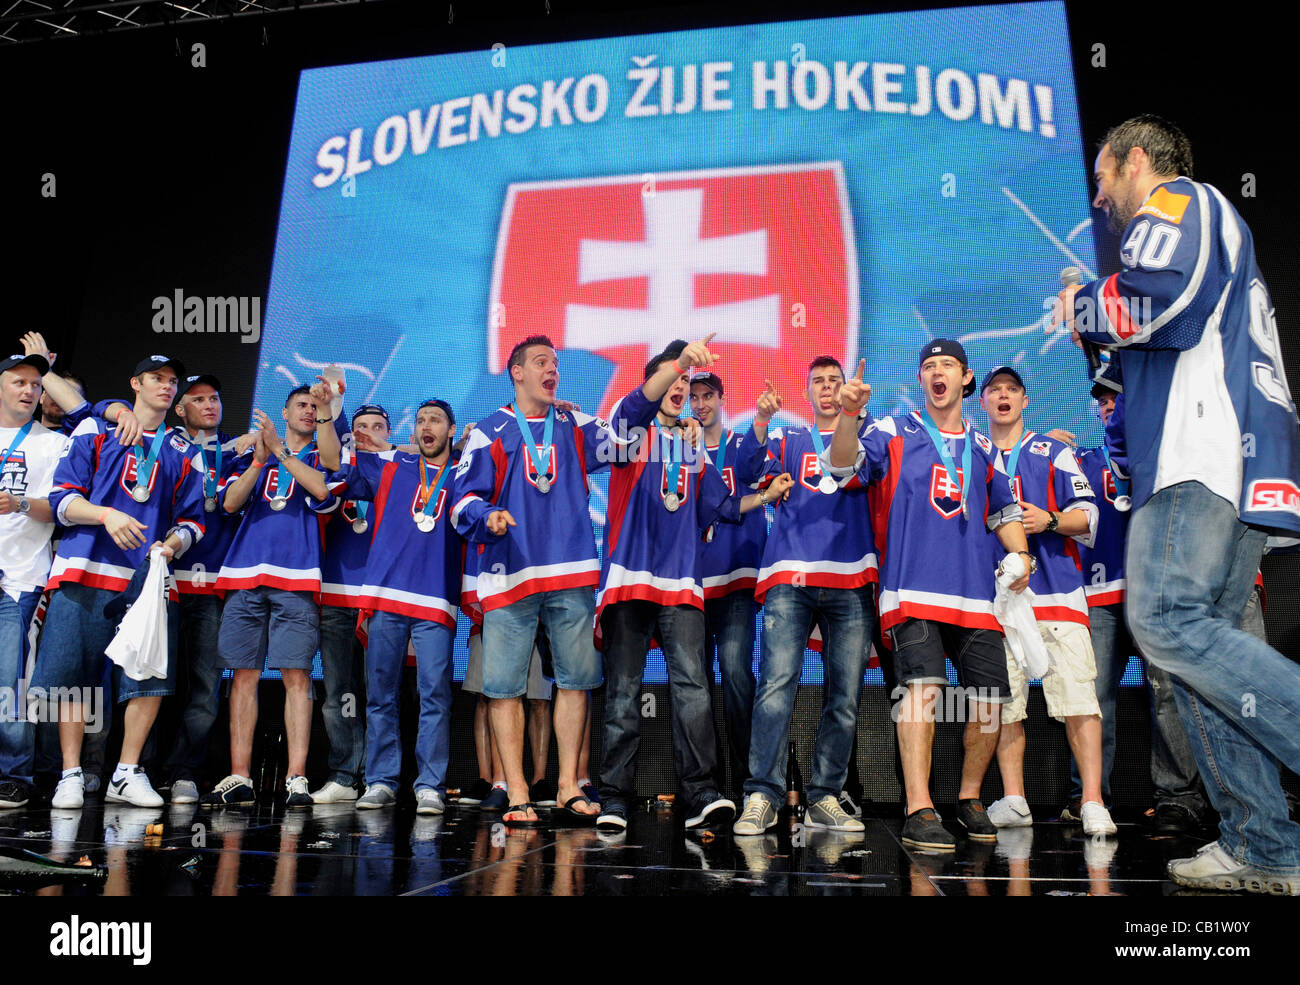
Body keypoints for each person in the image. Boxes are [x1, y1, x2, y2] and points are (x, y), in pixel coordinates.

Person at [1058, 114, 1300, 894]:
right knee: (1199, 652)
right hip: (1233, 459)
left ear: (1136, 161)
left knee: (1163, 619)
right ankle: (1265, 841)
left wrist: (1090, 302)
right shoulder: (1212, 220)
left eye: (1102, 177)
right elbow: (1155, 344)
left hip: (1201, 455)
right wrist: (1099, 333)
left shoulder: (1177, 201)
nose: (1100, 197)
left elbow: (1167, 295)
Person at [827, 341, 1031, 851]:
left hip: (976, 598)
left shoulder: (984, 447)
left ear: (966, 379)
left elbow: (1004, 512)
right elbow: (840, 466)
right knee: (923, 692)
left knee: (989, 704)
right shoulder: (894, 430)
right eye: (928, 367)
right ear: (922, 381)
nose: (936, 373)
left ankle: (968, 799)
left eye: (947, 366)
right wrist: (850, 413)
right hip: (910, 589)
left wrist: (1023, 555)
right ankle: (919, 807)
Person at [593, 338, 763, 832]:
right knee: (623, 691)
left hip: (682, 584)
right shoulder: (626, 435)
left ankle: (701, 793)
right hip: (629, 580)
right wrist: (676, 363)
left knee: (693, 689)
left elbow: (722, 507)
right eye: (675, 380)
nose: (682, 389)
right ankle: (616, 798)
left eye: (687, 383)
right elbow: (633, 405)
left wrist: (765, 496)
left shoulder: (693, 447)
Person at [452, 335, 612, 825]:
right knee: (502, 688)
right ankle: (517, 790)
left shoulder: (575, 423)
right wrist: (489, 516)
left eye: (556, 364)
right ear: (516, 371)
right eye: (541, 362)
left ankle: (567, 786)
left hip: (570, 572)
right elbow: (461, 500)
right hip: (509, 575)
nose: (553, 370)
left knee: (576, 681)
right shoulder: (489, 430)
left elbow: (626, 441)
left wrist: (667, 380)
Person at [38, 354, 205, 809]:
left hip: (145, 581)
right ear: (135, 383)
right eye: (157, 378)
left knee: (146, 677)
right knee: (75, 675)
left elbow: (194, 522)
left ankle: (127, 773)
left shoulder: (183, 449)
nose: (167, 387)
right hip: (84, 567)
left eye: (173, 381)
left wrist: (170, 545)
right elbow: (62, 501)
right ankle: (70, 773)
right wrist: (106, 515)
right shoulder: (95, 430)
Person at [730, 356, 873, 836]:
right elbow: (746, 469)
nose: (829, 388)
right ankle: (761, 796)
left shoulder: (866, 434)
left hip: (850, 577)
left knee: (845, 695)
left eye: (836, 381)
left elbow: (868, 475)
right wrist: (763, 419)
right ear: (808, 391)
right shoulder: (789, 439)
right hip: (789, 576)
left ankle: (825, 796)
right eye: (819, 382)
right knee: (775, 687)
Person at [975, 366, 1116, 837]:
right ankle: (1015, 799)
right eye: (994, 390)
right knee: (1006, 704)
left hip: (1057, 593)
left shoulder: (1052, 451)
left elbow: (1089, 514)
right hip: (998, 602)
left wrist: (1051, 519)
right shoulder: (971, 455)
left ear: (1025, 400)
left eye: (1012, 390)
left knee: (1079, 699)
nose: (1003, 396)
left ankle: (1093, 801)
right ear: (983, 402)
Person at [1066, 368, 1208, 834]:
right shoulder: (1081, 459)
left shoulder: (1162, 456)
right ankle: (1088, 796)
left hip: (1156, 594)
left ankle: (1177, 797)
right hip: (1100, 597)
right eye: (1103, 401)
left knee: (1168, 694)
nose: (1110, 406)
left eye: (1117, 399)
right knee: (1093, 698)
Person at [203, 384, 341, 809]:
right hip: (244, 574)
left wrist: (281, 453)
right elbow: (228, 503)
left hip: (297, 577)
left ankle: (296, 777)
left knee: (296, 675)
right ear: (284, 411)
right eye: (301, 404)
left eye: (315, 406)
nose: (307, 411)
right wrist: (260, 459)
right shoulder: (250, 454)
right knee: (242, 674)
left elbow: (323, 492)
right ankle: (240, 775)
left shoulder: (325, 456)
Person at [333, 398, 463, 815]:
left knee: (435, 695)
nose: (428, 426)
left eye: (436, 420)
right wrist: (331, 409)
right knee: (380, 695)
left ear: (451, 430)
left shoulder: (464, 473)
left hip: (436, 598)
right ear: (413, 433)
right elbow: (339, 462)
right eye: (421, 419)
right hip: (386, 597)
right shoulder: (393, 467)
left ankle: (430, 785)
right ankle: (381, 780)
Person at [159, 374, 255, 804]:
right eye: (198, 400)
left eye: (214, 398)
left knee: (204, 686)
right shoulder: (162, 448)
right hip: (161, 580)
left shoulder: (236, 453)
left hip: (215, 585)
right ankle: (134, 768)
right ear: (181, 409)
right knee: (150, 681)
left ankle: (185, 773)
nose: (209, 405)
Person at [688, 371, 766, 797]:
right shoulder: (683, 450)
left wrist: (760, 421)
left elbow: (764, 472)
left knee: (736, 673)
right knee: (696, 684)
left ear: (721, 398)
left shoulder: (742, 445)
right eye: (694, 398)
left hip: (736, 579)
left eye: (708, 396)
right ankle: (707, 788)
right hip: (694, 585)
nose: (700, 405)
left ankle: (748, 783)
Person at [312, 403, 391, 804]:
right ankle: (344, 775)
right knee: (339, 693)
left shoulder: (403, 475)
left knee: (381, 692)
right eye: (360, 426)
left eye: (377, 427)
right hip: (337, 598)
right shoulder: (335, 473)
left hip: (383, 600)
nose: (367, 432)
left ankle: (382, 778)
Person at [0, 353, 69, 809]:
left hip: (19, 576)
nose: (28, 391)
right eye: (18, 382)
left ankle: (14, 774)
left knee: (10, 681)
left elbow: (62, 507)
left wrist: (20, 503)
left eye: (35, 384)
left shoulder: (54, 444)